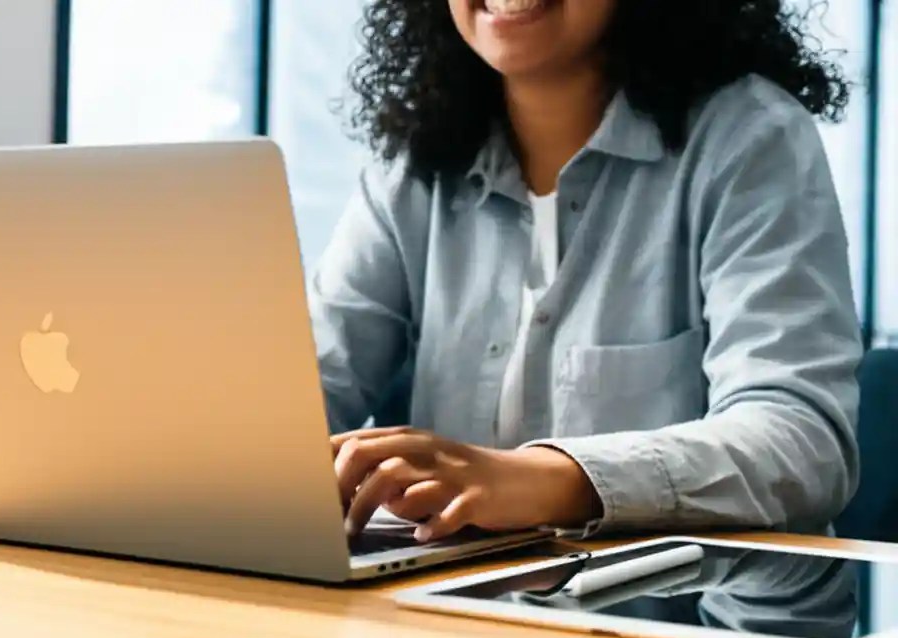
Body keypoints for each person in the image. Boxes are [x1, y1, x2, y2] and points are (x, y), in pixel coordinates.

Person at [315, 0, 862, 542]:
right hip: (451, 613)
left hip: (690, 615)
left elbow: (802, 442)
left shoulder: (750, 140)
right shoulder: (418, 163)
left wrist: (544, 479)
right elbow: (305, 390)